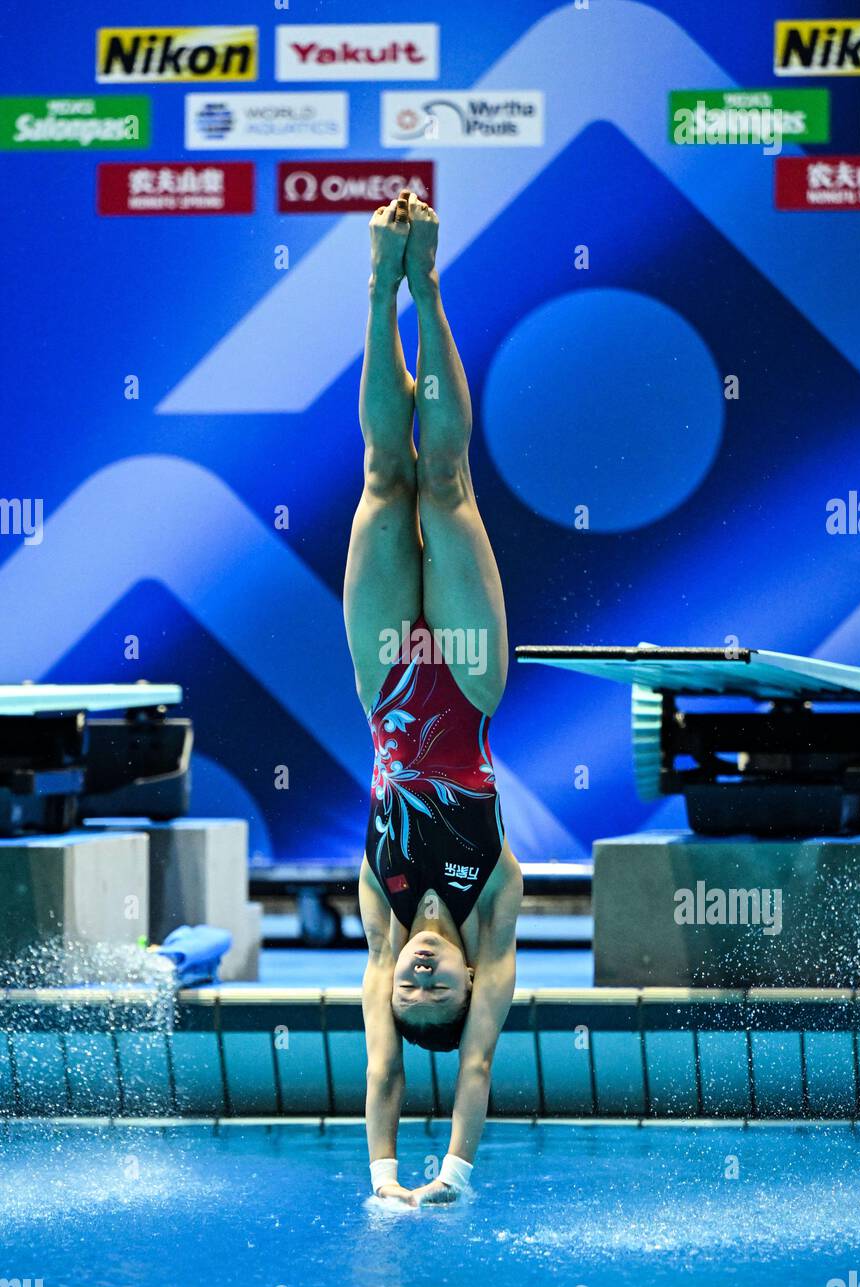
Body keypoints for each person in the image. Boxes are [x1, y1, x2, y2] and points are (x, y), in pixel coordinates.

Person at [343, 189, 523, 1205]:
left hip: (382, 680)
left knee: (382, 477)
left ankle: (379, 290)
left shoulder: (379, 916)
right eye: (432, 991)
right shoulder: (494, 906)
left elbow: (381, 1070)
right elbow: (479, 1065)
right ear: (462, 988)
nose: (413, 978)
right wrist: (449, 1170)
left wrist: (382, 1183)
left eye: (403, 989)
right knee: (442, 479)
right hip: (464, 671)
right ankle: (430, 278)